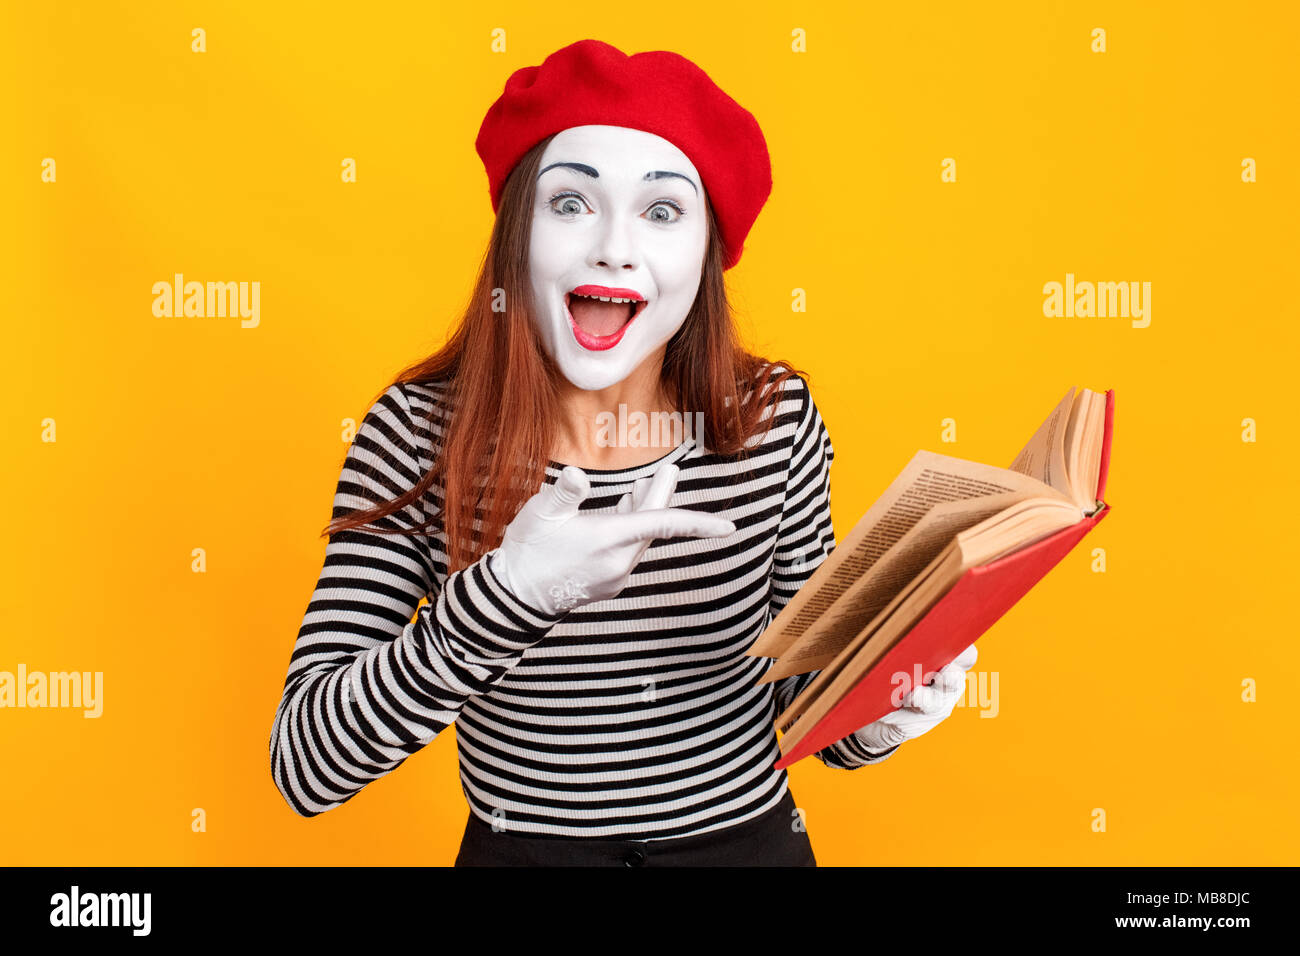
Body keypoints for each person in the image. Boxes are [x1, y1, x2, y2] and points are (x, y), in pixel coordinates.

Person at [268, 38, 978, 867]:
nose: (613, 246)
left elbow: (802, 700)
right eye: (571, 203)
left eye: (662, 211)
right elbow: (306, 767)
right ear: (516, 233)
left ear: (705, 255)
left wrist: (886, 707)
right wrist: (509, 594)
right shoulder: (418, 432)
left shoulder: (770, 419)